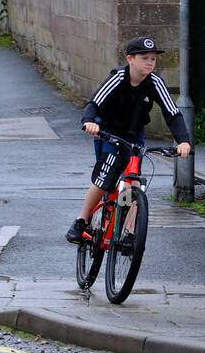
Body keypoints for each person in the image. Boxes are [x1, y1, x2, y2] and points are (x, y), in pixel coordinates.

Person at [66, 36, 192, 245]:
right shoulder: (118, 78)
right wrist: (89, 121)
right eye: (144, 58)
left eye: (153, 59)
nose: (150, 62)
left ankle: (129, 233)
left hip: (134, 135)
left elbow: (172, 113)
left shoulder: (155, 83)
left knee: (133, 182)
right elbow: (95, 102)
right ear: (130, 59)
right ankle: (81, 221)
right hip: (108, 131)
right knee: (106, 176)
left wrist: (183, 140)